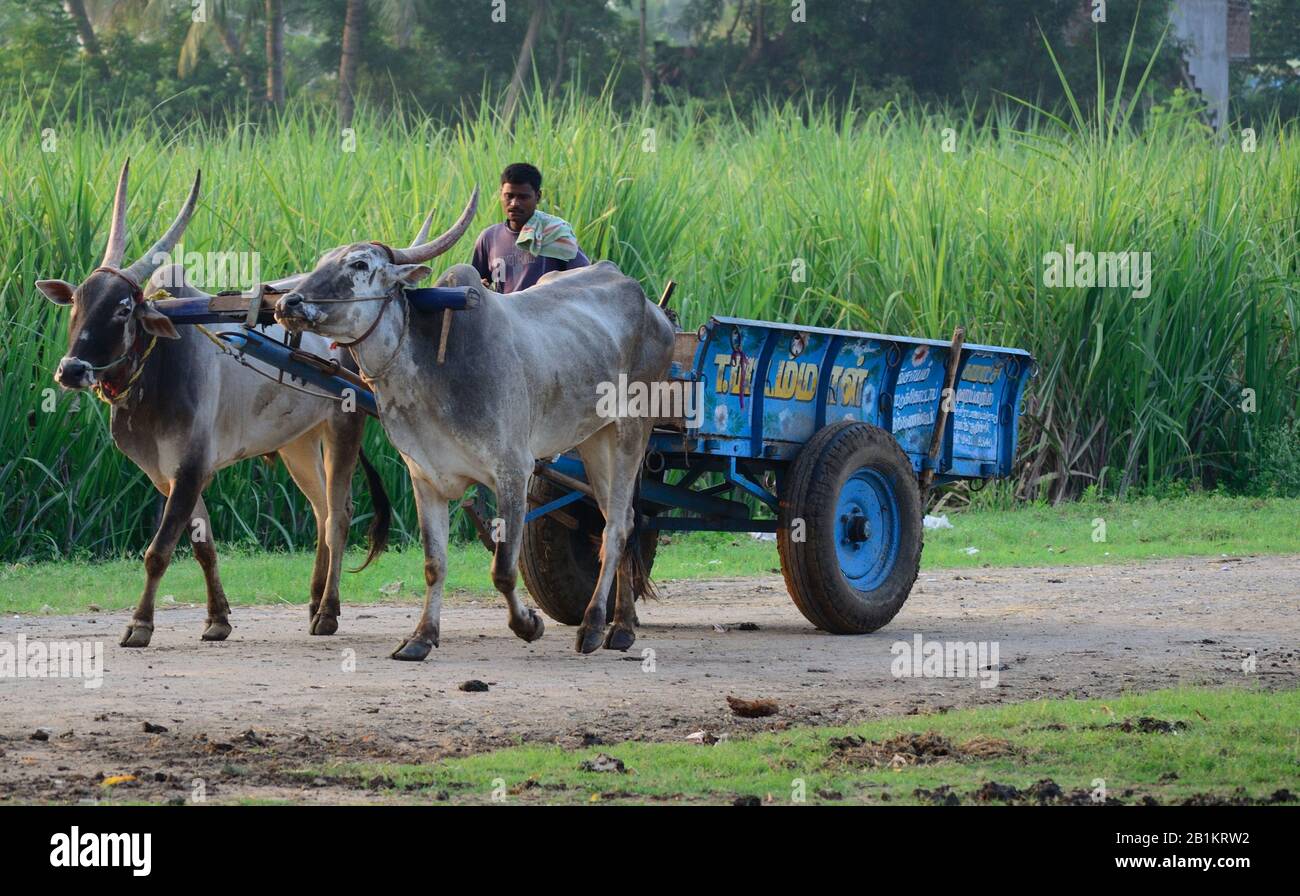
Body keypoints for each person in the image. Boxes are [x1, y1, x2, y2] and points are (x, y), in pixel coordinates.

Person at [470, 162, 590, 294]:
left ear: (538, 197)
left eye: (523, 197)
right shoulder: (489, 238)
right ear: (501, 194)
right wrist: (481, 287)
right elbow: (476, 284)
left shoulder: (555, 233)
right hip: (503, 313)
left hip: (545, 312)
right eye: (509, 196)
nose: (514, 203)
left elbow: (585, 277)